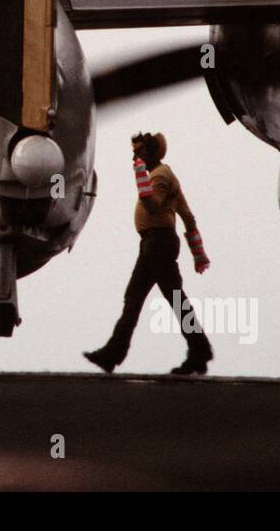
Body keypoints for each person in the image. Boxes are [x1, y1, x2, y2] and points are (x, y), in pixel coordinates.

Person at [84, 132, 214, 375]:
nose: (135, 156)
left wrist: (139, 174)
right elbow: (188, 217)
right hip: (157, 243)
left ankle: (113, 354)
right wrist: (198, 254)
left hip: (157, 243)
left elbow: (152, 204)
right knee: (170, 300)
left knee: (136, 300)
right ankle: (199, 351)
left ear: (151, 152)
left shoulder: (160, 177)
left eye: (140, 151)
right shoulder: (164, 174)